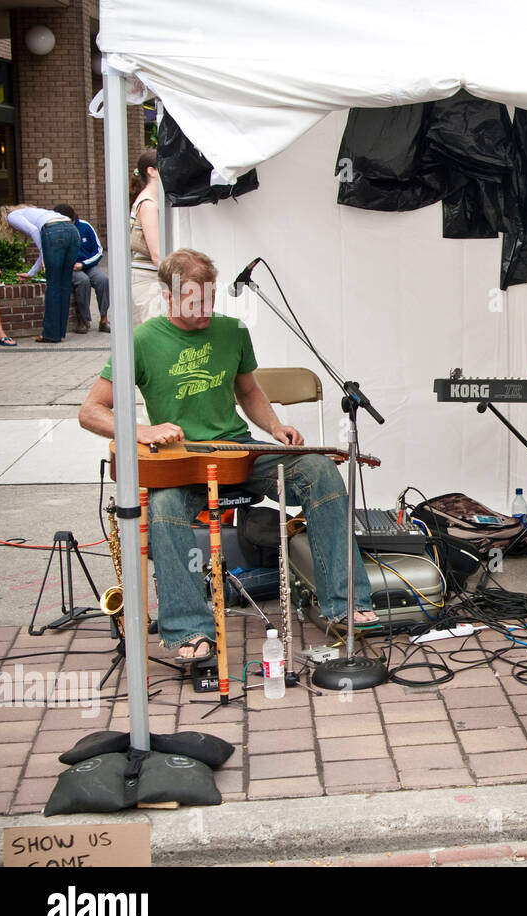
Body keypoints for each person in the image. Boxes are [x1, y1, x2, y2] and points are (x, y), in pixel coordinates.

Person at [78, 248, 378, 662]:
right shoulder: (141, 342)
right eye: (193, 301)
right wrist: (145, 431)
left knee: (319, 469)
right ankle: (189, 630)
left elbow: (249, 391)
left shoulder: (232, 331)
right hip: (184, 465)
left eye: (210, 298)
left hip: (240, 454)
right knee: (164, 507)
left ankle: (346, 603)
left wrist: (274, 428)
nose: (205, 309)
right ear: (167, 295)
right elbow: (90, 412)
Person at [0, 204, 79, 342]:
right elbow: (43, 247)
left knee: (53, 286)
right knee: (64, 284)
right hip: (72, 231)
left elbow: (34, 230)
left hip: (55, 232)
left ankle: (50, 334)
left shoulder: (11, 216)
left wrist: (43, 253)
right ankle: (60, 332)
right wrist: (31, 273)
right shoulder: (36, 212)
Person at [53, 204, 110, 334]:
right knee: (83, 281)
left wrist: (83, 264)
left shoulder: (85, 226)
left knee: (103, 280)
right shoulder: (57, 229)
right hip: (70, 268)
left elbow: (98, 251)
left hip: (87, 265)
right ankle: (84, 321)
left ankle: (104, 320)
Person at [129, 149, 163, 324]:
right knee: (157, 330)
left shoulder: (151, 200)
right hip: (149, 279)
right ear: (151, 171)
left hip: (150, 277)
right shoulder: (149, 204)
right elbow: (156, 253)